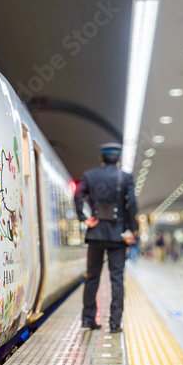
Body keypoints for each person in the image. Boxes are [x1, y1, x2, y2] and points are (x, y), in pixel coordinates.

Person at [74, 142, 137, 332]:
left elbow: (77, 195)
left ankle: (88, 319)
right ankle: (115, 322)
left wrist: (84, 218)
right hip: (118, 235)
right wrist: (132, 230)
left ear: (101, 158)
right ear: (118, 159)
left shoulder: (90, 176)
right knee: (117, 278)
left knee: (92, 276)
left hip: (96, 233)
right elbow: (132, 203)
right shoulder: (126, 178)